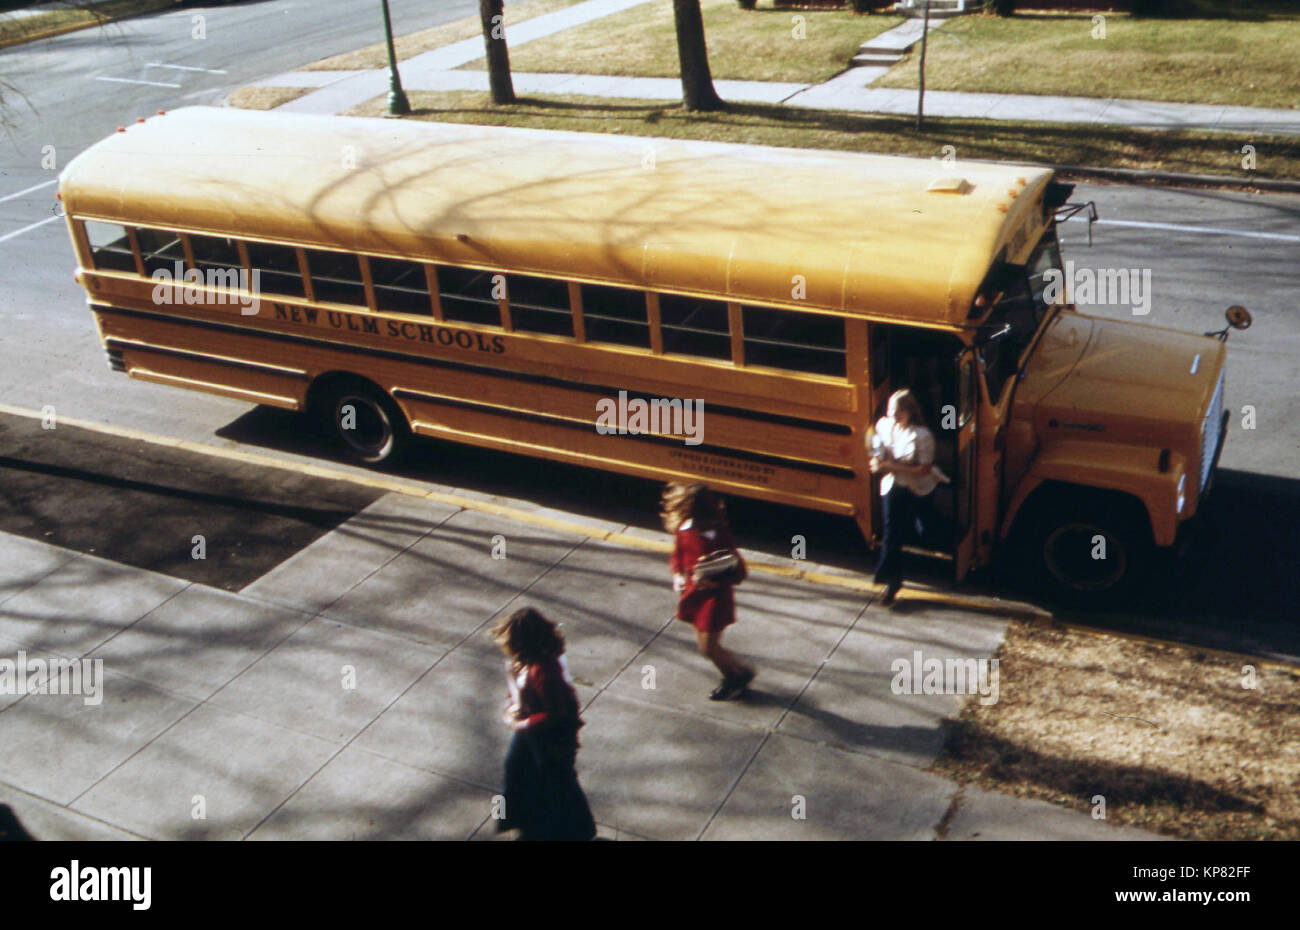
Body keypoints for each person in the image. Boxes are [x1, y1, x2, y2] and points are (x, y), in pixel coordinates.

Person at [492, 606, 596, 841]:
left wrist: (522, 724)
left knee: (557, 782)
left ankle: (577, 831)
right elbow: (519, 693)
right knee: (518, 772)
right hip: (533, 732)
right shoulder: (524, 662)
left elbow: (557, 714)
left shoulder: (545, 671)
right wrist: (512, 708)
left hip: (551, 738)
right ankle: (527, 826)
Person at [660, 482, 756, 701]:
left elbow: (738, 571)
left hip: (715, 599)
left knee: (708, 647)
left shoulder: (717, 536)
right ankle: (735, 674)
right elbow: (678, 556)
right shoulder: (686, 530)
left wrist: (715, 582)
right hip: (695, 594)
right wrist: (678, 575)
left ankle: (737, 675)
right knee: (707, 645)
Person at [869, 388, 941, 606]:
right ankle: (891, 581)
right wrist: (875, 462)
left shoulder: (922, 435)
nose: (892, 416)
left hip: (919, 486)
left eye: (897, 412)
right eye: (890, 411)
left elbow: (924, 469)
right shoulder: (883, 425)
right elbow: (875, 448)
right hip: (894, 484)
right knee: (892, 532)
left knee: (925, 530)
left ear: (908, 411)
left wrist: (889, 465)